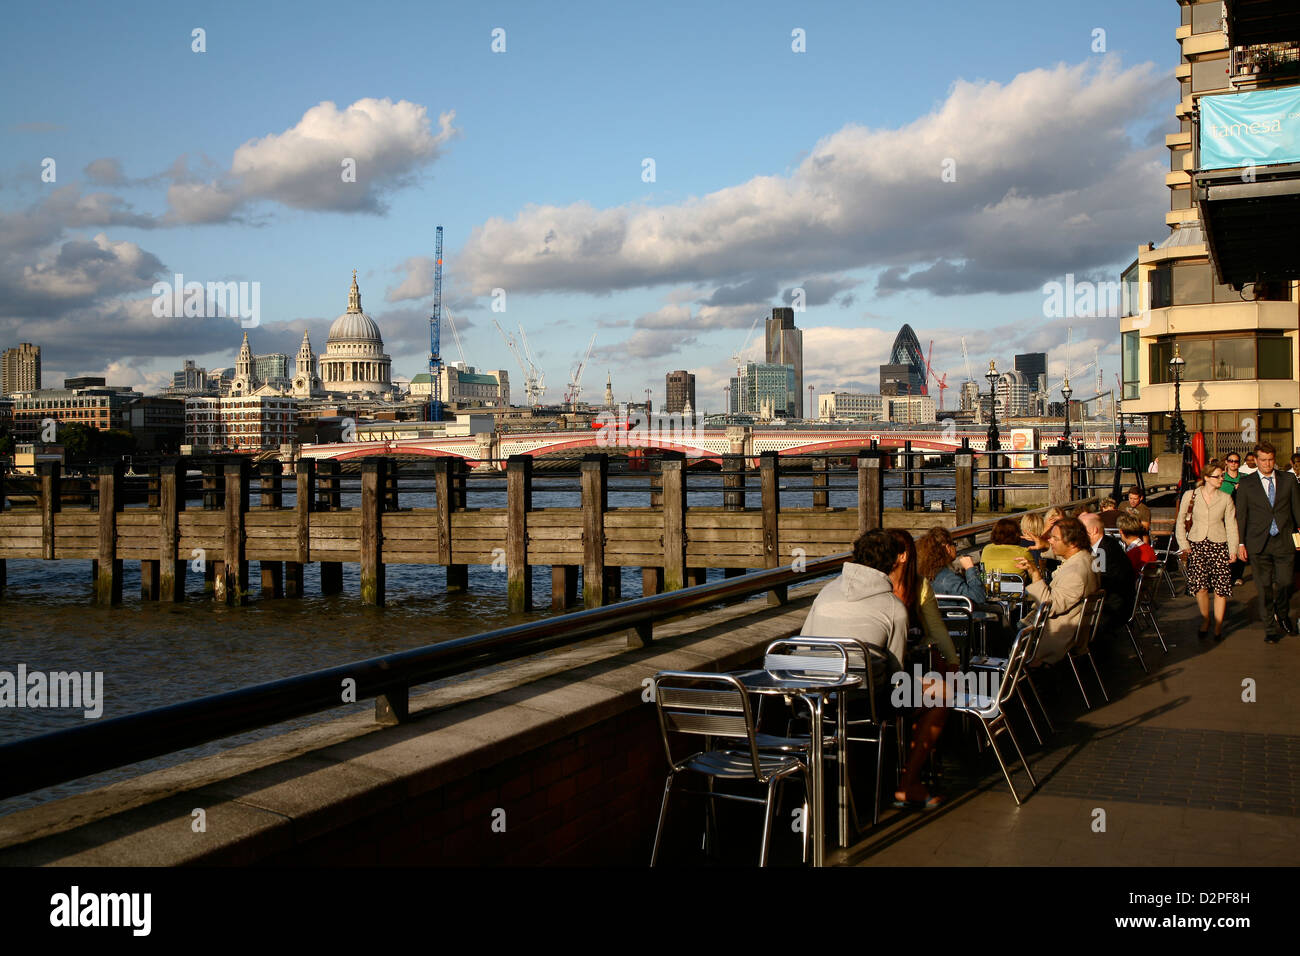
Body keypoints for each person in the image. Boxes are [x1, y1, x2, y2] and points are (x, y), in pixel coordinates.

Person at [886, 528, 957, 809]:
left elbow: (937, 632)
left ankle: (908, 773)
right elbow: (937, 631)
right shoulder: (917, 586)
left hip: (874, 682)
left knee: (928, 694)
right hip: (893, 682)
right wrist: (953, 666)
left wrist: (951, 663)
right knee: (940, 696)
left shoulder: (871, 588)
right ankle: (908, 779)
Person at [801, 530, 909, 670]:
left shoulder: (826, 592)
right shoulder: (895, 608)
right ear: (892, 562)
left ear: (856, 555)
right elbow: (896, 668)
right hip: (865, 687)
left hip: (817, 679)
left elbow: (802, 645)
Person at [1235, 442, 1300, 643]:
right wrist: (1240, 544)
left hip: (1283, 540)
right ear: (1256, 460)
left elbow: (1297, 509)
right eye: (1263, 460)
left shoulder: (1288, 480)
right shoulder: (1246, 484)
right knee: (1264, 587)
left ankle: (1282, 613)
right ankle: (1270, 629)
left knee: (1285, 582)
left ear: (1275, 459)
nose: (1267, 464)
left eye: (1270, 460)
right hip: (1257, 543)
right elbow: (1242, 515)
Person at [1015, 517, 1099, 664]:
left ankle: (1006, 679)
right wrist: (1046, 546)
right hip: (1070, 630)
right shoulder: (1088, 559)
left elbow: (1050, 606)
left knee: (998, 629)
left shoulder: (1076, 573)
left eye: (1054, 538)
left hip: (1053, 635)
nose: (1050, 540)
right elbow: (1068, 557)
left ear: (1072, 543)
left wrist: (1035, 574)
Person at [1175, 459, 1238, 640]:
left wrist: (1233, 549)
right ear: (1207, 478)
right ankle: (1205, 619)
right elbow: (1180, 521)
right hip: (1197, 544)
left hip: (1219, 544)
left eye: (1223, 476)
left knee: (1221, 588)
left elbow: (1232, 525)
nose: (1221, 479)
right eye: (1218, 476)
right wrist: (1184, 544)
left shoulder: (1226, 498)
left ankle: (1218, 626)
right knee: (1200, 587)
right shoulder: (1190, 495)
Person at [1080, 512, 1136, 637]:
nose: (1077, 534)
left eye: (1080, 530)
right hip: (1120, 602)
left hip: (1114, 608)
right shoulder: (1107, 544)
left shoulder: (1103, 550)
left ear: (1093, 531)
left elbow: (1098, 583)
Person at [919, 527, 987, 605]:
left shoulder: (925, 574)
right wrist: (970, 568)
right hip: (957, 616)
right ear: (948, 548)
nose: (955, 548)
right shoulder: (948, 578)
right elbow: (979, 598)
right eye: (954, 544)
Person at [1222, 452, 1244, 584]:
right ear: (1226, 462)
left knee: (1239, 543)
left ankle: (1237, 575)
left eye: (1236, 461)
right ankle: (1226, 573)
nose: (1233, 463)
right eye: (1231, 461)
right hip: (1224, 516)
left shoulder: (1245, 478)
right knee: (1225, 544)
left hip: (1239, 514)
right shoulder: (1221, 478)